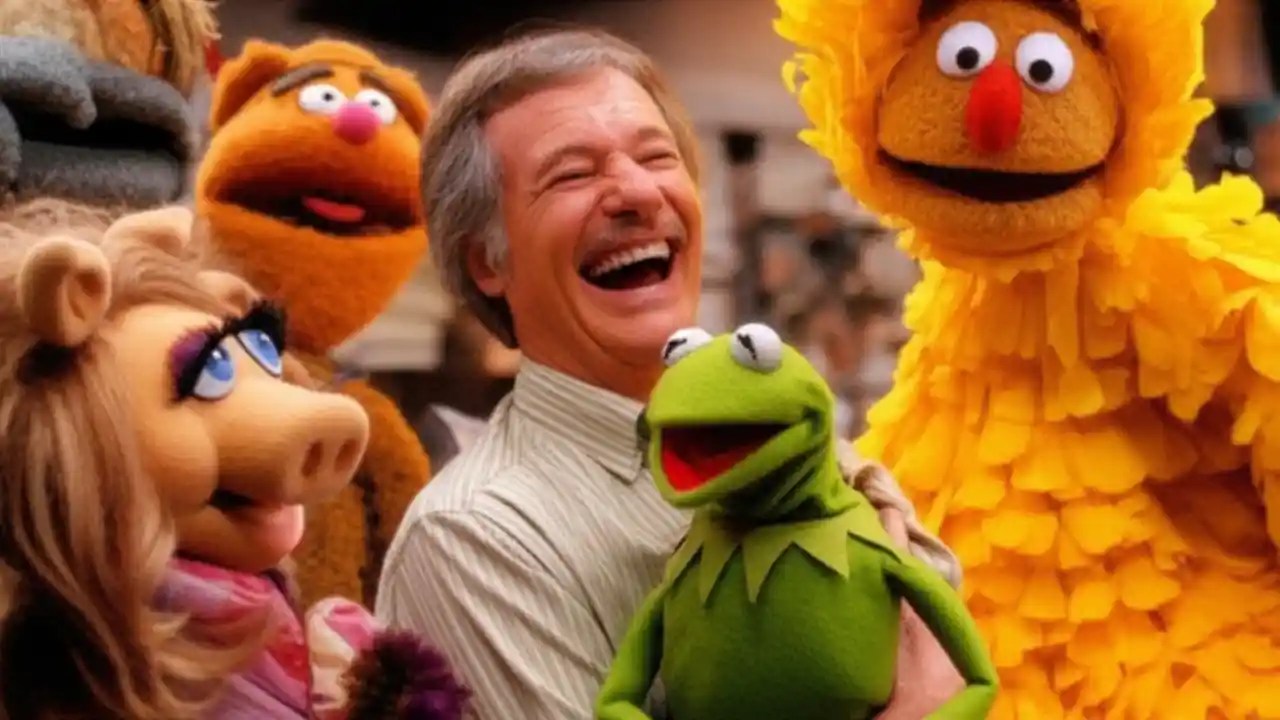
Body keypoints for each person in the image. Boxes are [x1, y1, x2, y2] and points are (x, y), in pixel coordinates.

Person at [376, 26, 964, 720]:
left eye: (656, 158)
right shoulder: (474, 541)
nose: (634, 192)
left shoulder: (800, 447)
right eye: (572, 173)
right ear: (488, 263)